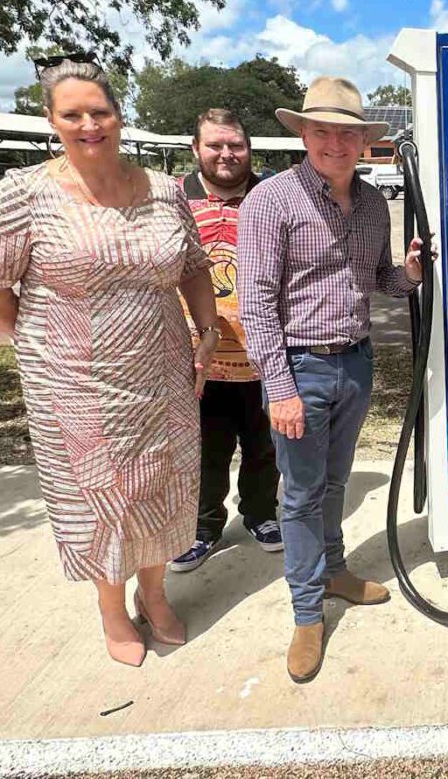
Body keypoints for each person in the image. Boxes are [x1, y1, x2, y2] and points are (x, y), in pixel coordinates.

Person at [0, 55, 219, 667]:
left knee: (163, 488)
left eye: (100, 111)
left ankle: (156, 593)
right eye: (73, 114)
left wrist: (206, 329)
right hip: (73, 385)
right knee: (98, 501)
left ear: (119, 115)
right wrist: (40, 344)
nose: (89, 124)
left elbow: (194, 267)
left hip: (163, 376)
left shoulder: (166, 192)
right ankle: (113, 610)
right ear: (51, 120)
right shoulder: (24, 194)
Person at [237, 76, 430, 684]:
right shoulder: (271, 201)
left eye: (346, 133)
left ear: (362, 142)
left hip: (356, 359)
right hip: (300, 365)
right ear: (304, 135)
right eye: (322, 131)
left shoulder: (372, 203)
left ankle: (335, 571)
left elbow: (380, 281)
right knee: (298, 493)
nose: (335, 143)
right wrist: (279, 387)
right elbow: (257, 305)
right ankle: (305, 613)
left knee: (336, 480)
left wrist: (411, 272)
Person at [170, 110, 281, 573]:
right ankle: (203, 527)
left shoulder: (273, 194)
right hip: (196, 358)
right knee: (203, 449)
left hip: (264, 353)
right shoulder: (171, 197)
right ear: (196, 149)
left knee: (266, 445)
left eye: (235, 145)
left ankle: (260, 513)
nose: (226, 154)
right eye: (215, 145)